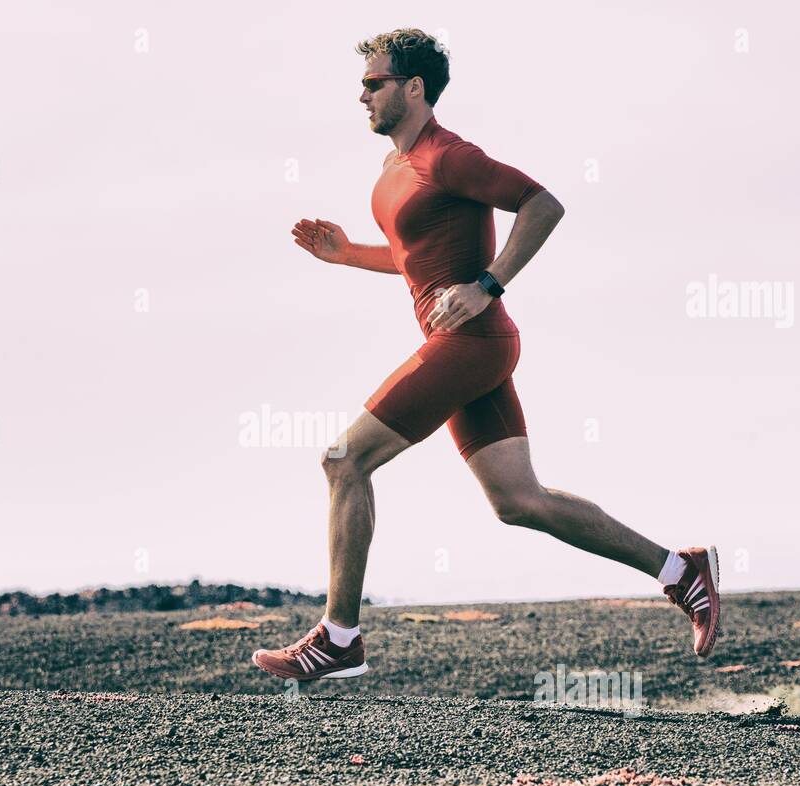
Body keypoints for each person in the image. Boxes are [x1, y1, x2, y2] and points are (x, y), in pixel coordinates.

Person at [252, 28, 719, 683]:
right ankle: (681, 570)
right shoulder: (394, 171)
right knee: (518, 500)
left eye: (374, 83)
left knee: (345, 459)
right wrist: (347, 254)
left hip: (472, 344)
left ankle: (339, 636)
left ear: (413, 88)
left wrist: (488, 285)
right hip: (470, 349)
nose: (362, 95)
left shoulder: (449, 156)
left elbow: (543, 204)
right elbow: (415, 261)